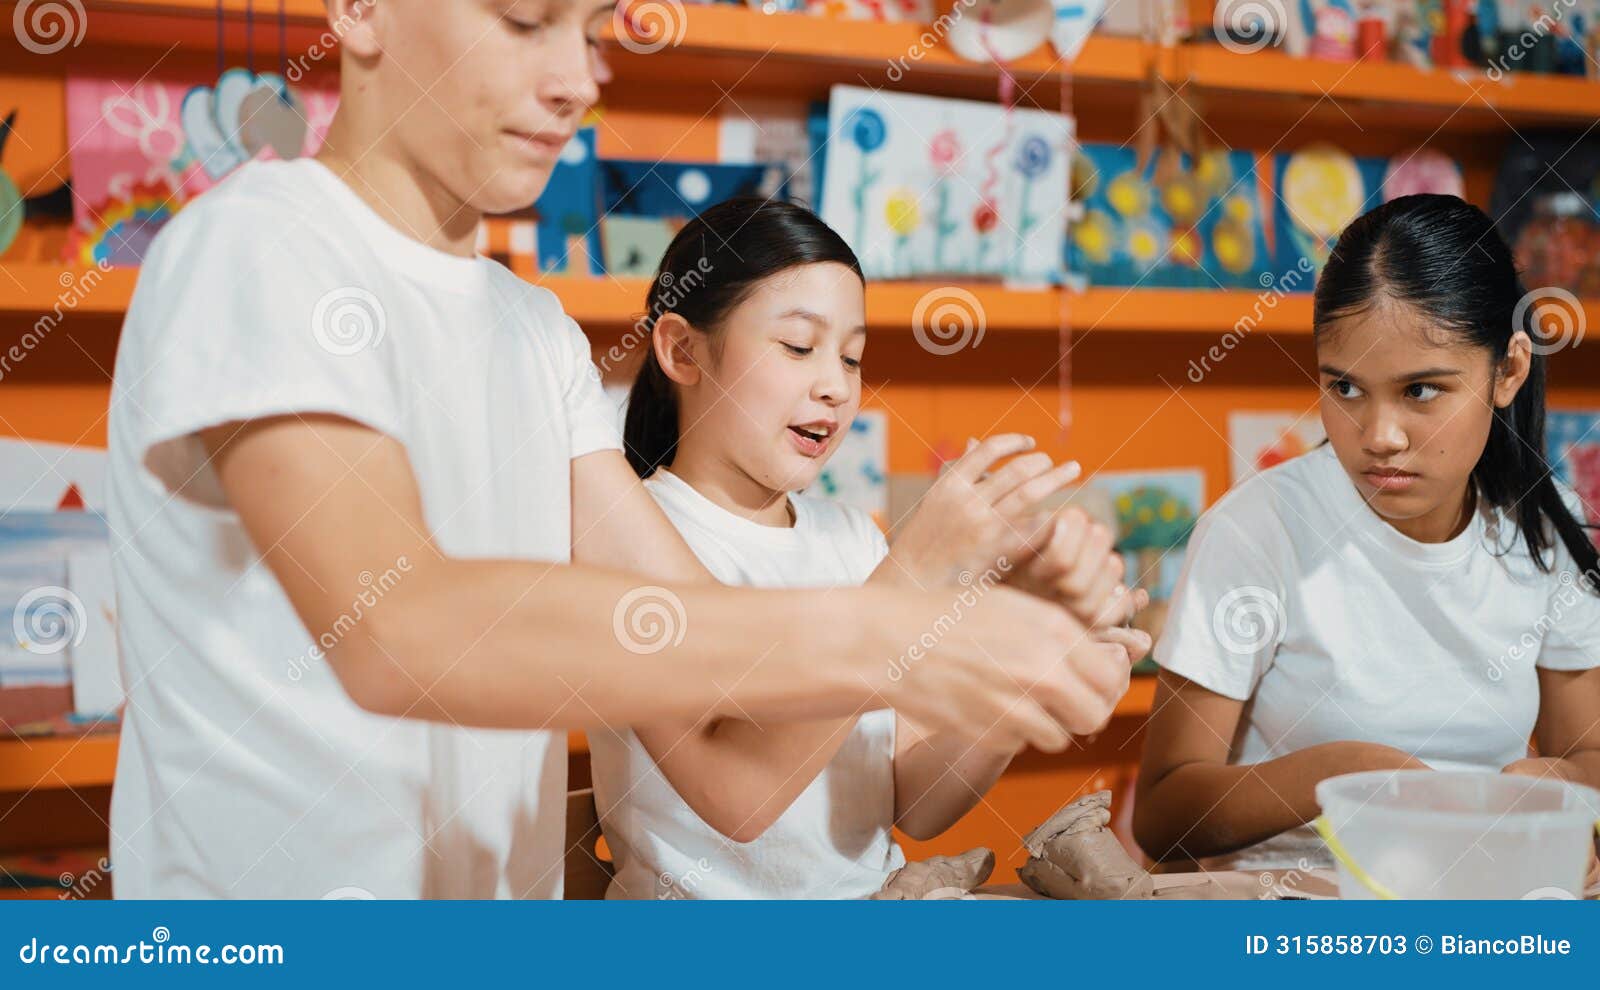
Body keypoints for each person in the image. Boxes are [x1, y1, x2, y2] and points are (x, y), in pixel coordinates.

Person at [106, 0, 1132, 898]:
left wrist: (989, 613)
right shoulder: (260, 246)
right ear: (360, 9)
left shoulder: (533, 330)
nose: (573, 83)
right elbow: (395, 628)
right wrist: (890, 619)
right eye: (521, 21)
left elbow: (694, 655)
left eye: (593, 31)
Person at [588, 198, 1147, 898]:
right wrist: (912, 570)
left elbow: (915, 800)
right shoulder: (634, 536)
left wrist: (1028, 682)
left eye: (852, 357)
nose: (835, 385)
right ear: (681, 349)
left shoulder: (850, 538)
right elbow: (739, 803)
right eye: (798, 346)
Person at [1135, 194, 1600, 877]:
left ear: (1508, 372)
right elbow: (1163, 813)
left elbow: (1586, 757)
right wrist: (1347, 777)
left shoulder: (1542, 523)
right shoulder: (1257, 530)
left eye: (1420, 391)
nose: (1379, 437)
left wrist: (1555, 791)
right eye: (1346, 389)